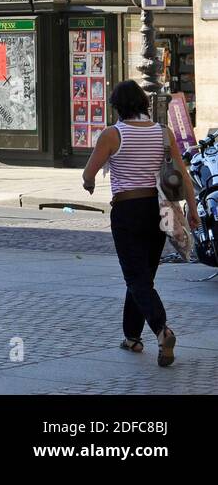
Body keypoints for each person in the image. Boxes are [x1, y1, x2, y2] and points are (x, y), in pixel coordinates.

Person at [82, 81, 199, 367]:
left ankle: (162, 330)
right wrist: (193, 211)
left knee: (136, 277)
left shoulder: (112, 134)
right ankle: (132, 337)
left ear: (118, 106)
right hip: (159, 209)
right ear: (144, 104)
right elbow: (183, 176)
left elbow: (89, 172)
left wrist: (89, 184)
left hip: (127, 209)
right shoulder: (163, 133)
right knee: (143, 275)